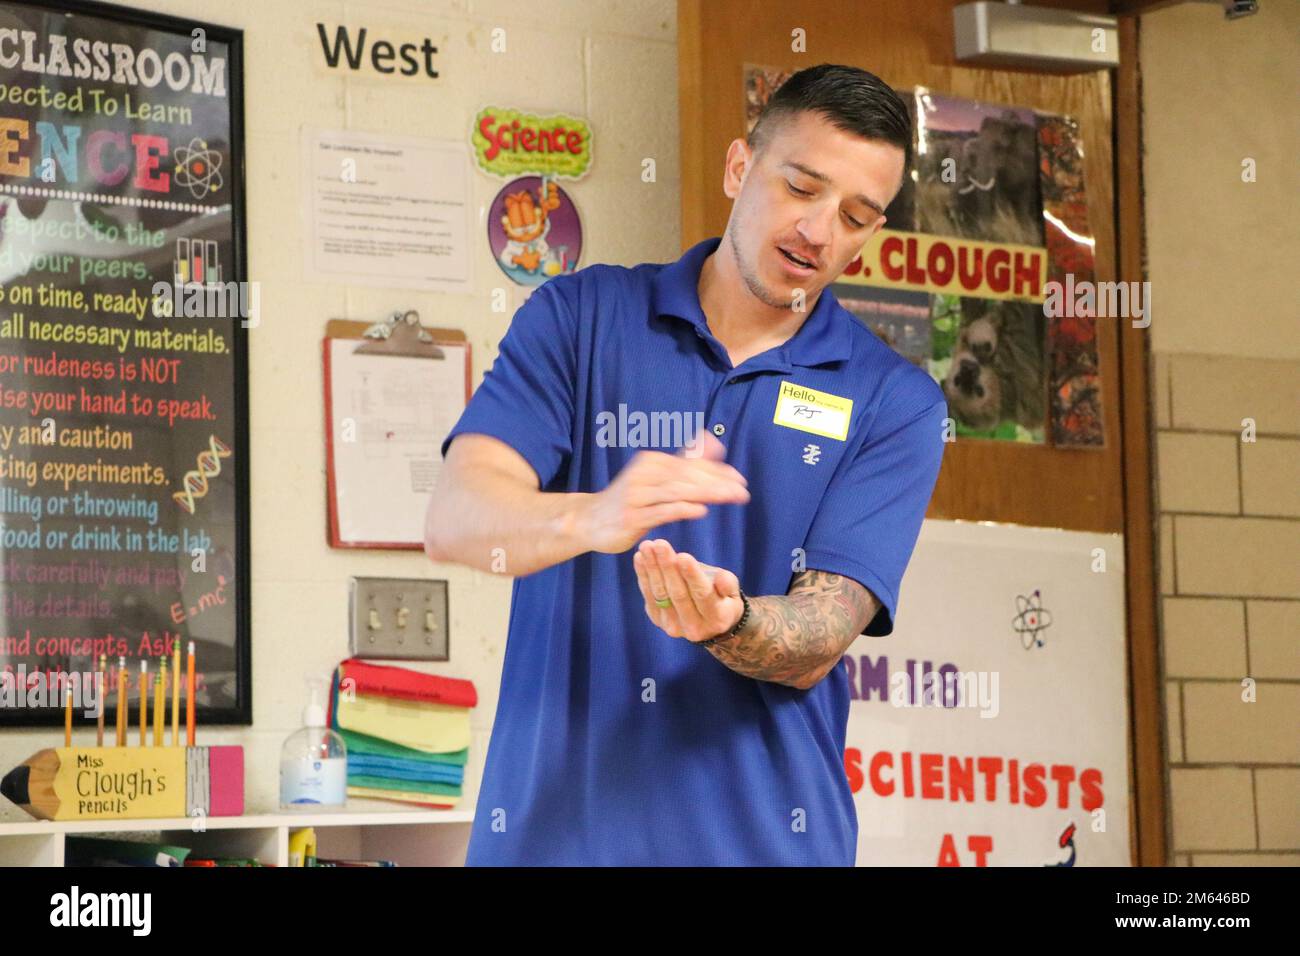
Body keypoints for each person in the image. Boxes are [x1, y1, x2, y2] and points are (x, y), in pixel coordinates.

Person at [425, 63, 948, 866]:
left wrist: (728, 622)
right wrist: (590, 515)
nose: (818, 231)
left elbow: (820, 636)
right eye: (801, 187)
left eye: (855, 214)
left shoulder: (894, 402)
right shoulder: (579, 317)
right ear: (740, 167)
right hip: (550, 844)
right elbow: (457, 519)